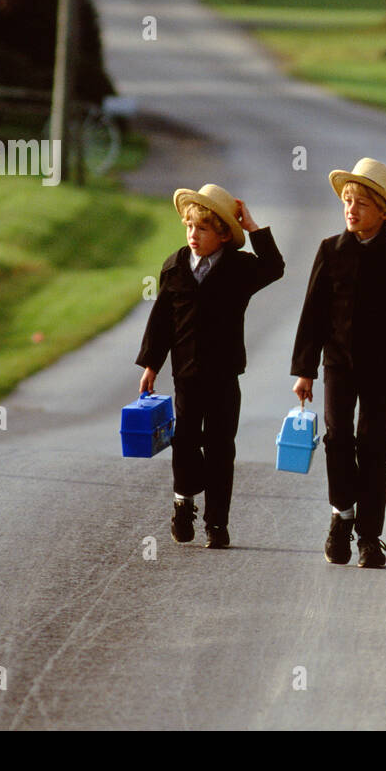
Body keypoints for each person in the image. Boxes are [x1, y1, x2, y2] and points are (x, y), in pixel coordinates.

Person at [291, 158, 386, 568]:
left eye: (361, 204)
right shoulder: (329, 252)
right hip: (337, 365)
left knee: (374, 448)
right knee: (338, 440)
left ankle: (369, 537)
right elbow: (312, 315)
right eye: (347, 202)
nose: (351, 210)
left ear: (384, 212)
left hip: (381, 369)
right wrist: (305, 369)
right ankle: (342, 516)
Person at [137, 184, 284, 548]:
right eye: (189, 227)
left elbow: (275, 267)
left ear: (222, 234)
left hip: (224, 374)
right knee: (184, 441)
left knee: (220, 446)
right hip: (185, 373)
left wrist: (252, 226)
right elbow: (161, 321)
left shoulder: (240, 268)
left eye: (202, 229)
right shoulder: (174, 267)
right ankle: (183, 503)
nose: (193, 235)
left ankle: (217, 523)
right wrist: (151, 364)